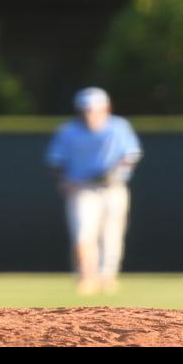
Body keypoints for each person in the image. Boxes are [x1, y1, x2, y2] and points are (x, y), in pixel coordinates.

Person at [45, 87, 142, 295]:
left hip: (113, 188)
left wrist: (116, 173)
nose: (90, 113)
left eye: (94, 109)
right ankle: (87, 276)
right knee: (82, 234)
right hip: (82, 188)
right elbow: (55, 160)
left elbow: (131, 155)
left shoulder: (118, 127)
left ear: (105, 108)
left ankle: (108, 277)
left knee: (112, 234)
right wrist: (63, 181)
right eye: (86, 109)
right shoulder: (69, 131)